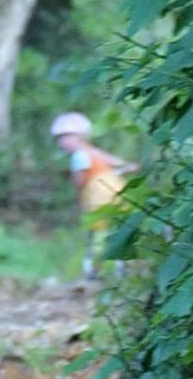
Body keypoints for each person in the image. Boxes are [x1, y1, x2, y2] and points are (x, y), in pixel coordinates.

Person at [46, 109, 130, 280]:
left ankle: (94, 270)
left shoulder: (79, 157)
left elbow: (80, 182)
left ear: (81, 136)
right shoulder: (95, 152)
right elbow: (119, 163)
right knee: (113, 232)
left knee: (96, 235)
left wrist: (78, 199)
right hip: (118, 197)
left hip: (98, 201)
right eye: (60, 138)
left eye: (67, 137)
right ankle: (118, 268)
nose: (63, 142)